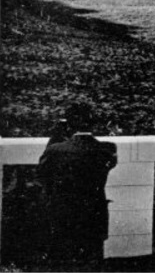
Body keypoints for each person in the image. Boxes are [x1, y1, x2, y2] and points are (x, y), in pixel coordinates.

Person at [35, 103, 117, 265]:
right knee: (92, 260)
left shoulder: (56, 150)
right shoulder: (107, 149)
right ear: (93, 124)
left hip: (63, 215)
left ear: (69, 124)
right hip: (94, 214)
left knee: (63, 261)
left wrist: (58, 132)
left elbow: (42, 173)